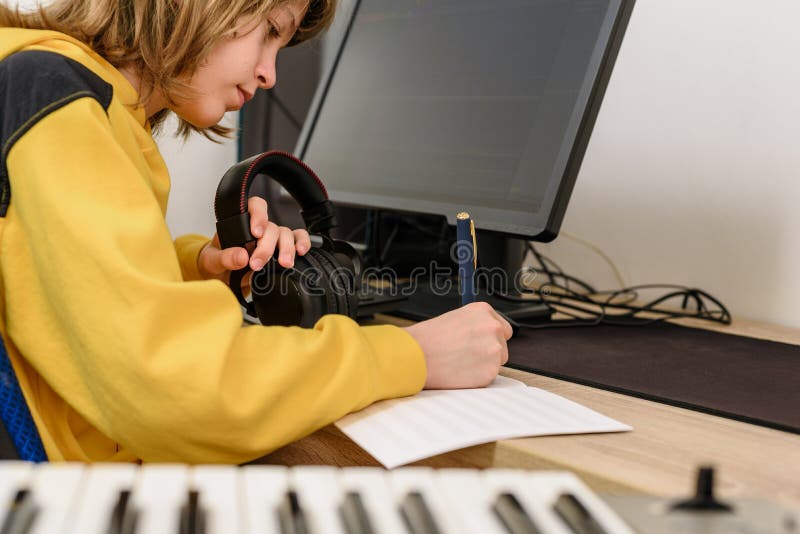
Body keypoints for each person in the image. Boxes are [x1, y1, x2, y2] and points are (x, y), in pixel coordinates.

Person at [0, 0, 513, 463]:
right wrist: (412, 355)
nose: (269, 74)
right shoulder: (58, 103)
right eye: (270, 29)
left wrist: (200, 270)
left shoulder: (69, 96)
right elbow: (182, 394)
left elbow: (58, 291)